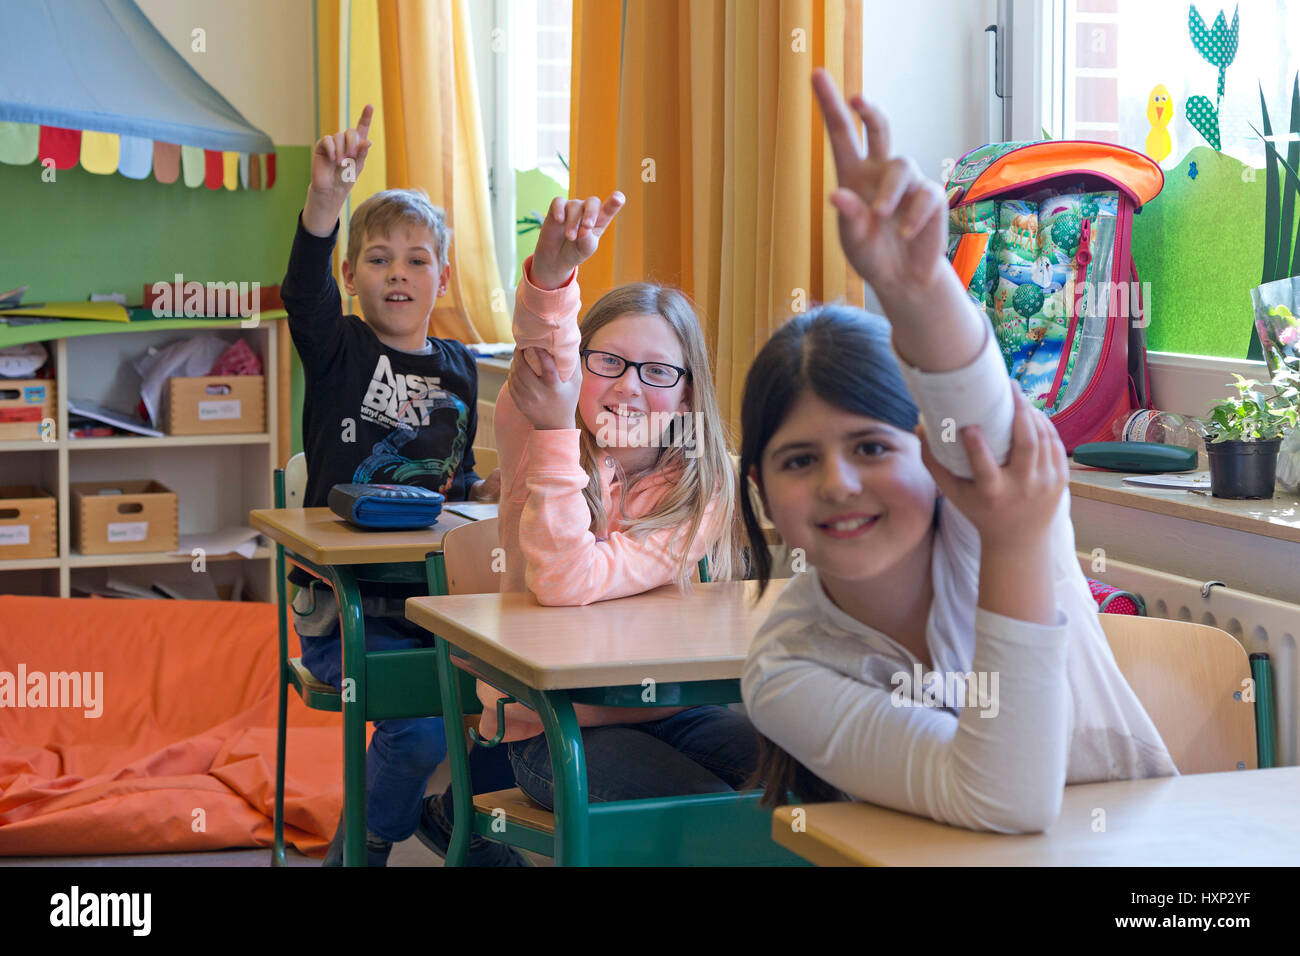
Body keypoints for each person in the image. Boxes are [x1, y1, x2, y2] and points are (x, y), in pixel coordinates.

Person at [738, 70, 1176, 833]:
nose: (839, 483)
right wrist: (1015, 542)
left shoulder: (983, 507)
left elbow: (969, 409)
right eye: (798, 461)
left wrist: (916, 287)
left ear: (927, 452)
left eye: (871, 446)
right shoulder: (784, 669)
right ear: (762, 493)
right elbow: (1005, 800)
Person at [420, 192, 756, 859]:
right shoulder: (535, 427)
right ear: (578, 371)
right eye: (607, 363)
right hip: (553, 730)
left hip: (677, 710)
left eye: (658, 372)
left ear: (689, 393)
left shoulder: (700, 484)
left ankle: (453, 815)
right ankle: (462, 813)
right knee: (718, 828)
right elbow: (566, 580)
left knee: (808, 790)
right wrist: (551, 275)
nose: (630, 387)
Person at [281, 104, 514, 865]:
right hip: (345, 615)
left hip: (436, 601)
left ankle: (459, 829)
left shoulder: (458, 367)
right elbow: (301, 290)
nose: (399, 273)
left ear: (442, 275)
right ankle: (368, 844)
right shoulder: (340, 347)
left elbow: (459, 481)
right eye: (378, 258)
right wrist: (327, 199)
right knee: (420, 724)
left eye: (417, 259)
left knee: (506, 706)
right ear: (351, 277)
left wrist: (499, 495)